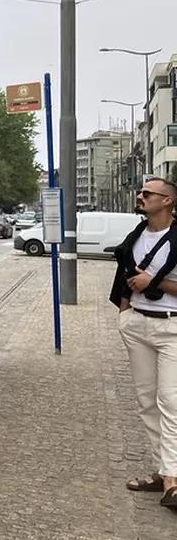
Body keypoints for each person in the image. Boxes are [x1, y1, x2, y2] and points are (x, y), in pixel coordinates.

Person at [110, 177, 177, 509]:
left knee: (170, 401)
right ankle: (164, 472)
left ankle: (172, 480)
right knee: (146, 401)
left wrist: (157, 283)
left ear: (167, 201)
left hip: (172, 327)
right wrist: (125, 315)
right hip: (138, 323)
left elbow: (152, 280)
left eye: (148, 193)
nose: (140, 196)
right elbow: (125, 276)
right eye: (140, 192)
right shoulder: (135, 236)